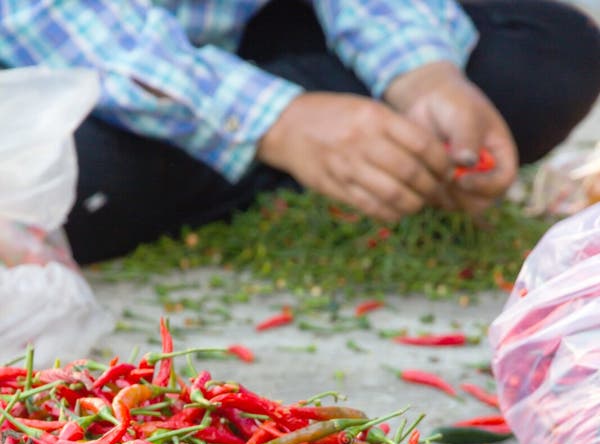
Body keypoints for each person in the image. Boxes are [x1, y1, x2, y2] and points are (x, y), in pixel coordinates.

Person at [1, 0, 599, 265]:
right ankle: (300, 152)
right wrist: (280, 119)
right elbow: (52, 20)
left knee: (548, 57)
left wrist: (421, 75)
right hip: (65, 57)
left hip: (249, 36)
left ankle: (317, 151)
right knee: (59, 178)